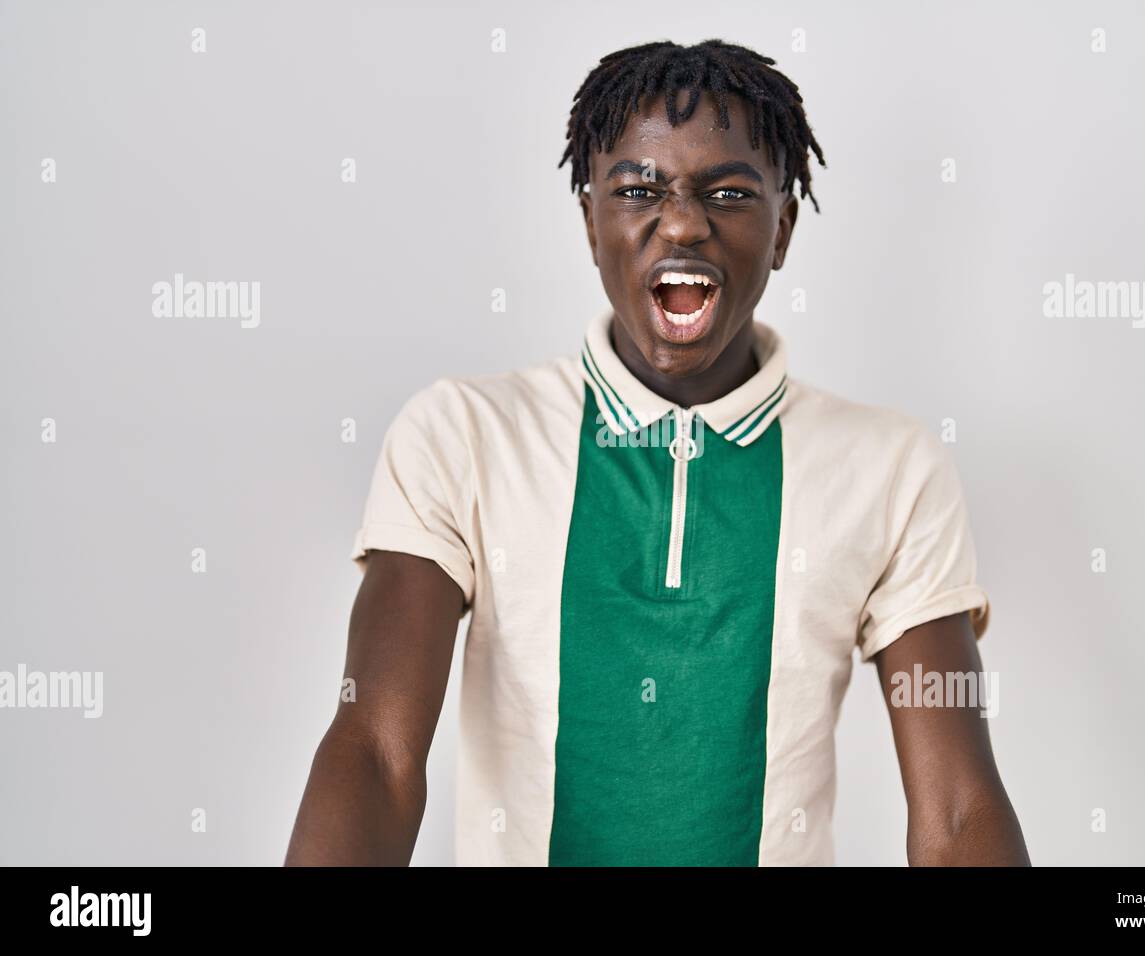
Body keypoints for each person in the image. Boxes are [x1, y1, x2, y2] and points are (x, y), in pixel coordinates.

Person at [286, 38, 1028, 866]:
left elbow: (960, 812)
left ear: (782, 229)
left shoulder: (893, 469)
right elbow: (377, 756)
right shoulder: (462, 434)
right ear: (590, 219)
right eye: (638, 188)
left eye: (730, 193)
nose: (681, 221)